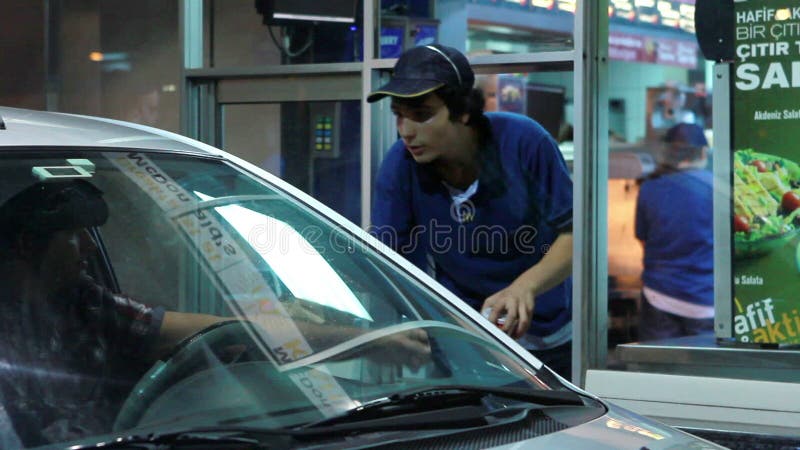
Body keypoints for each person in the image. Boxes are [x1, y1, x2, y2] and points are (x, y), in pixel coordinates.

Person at [0, 179, 429, 446]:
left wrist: (367, 341)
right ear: (23, 246)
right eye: (74, 236)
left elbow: (228, 331)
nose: (90, 249)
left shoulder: (86, 304)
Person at [367, 44, 573, 379]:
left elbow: (574, 235)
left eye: (421, 114)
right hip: (466, 337)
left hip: (547, 335)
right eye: (398, 115)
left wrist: (525, 287)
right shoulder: (399, 166)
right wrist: (407, 320)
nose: (406, 131)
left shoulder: (524, 142)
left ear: (462, 111)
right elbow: (395, 263)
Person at [635, 123, 714, 341]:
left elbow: (643, 238)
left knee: (660, 372)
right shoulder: (716, 188)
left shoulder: (650, 188)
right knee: (704, 373)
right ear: (704, 153)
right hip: (706, 302)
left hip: (659, 297)